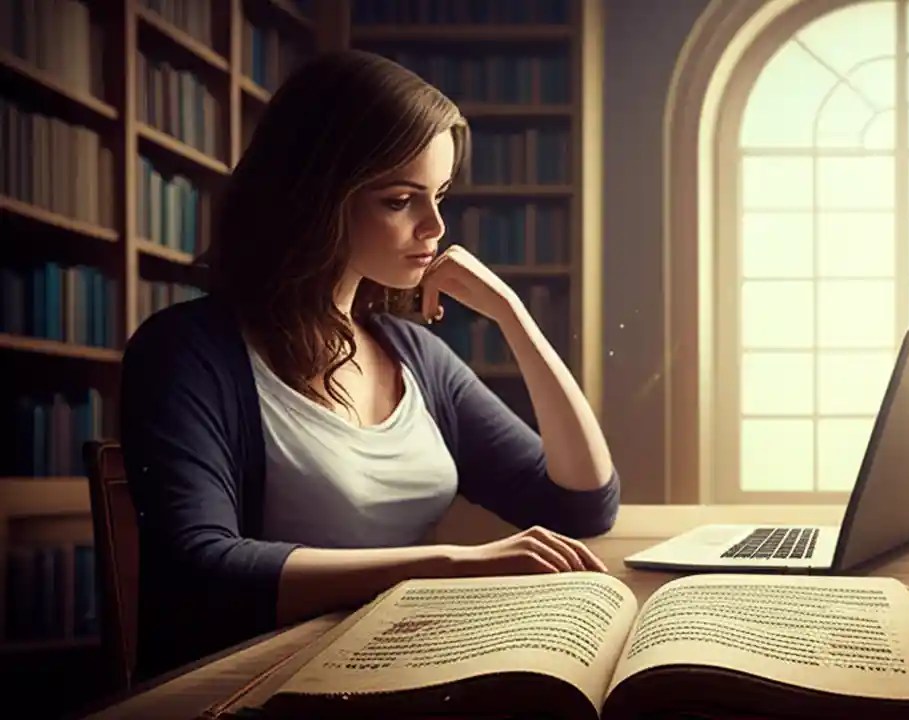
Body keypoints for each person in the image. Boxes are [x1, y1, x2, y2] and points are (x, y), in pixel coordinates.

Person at [119, 50, 620, 680]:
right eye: (400, 200)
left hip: (394, 666)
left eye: (438, 196)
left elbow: (583, 507)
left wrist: (512, 315)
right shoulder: (187, 353)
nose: (435, 226)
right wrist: (452, 566)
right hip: (259, 685)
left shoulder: (415, 356)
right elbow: (200, 568)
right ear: (316, 198)